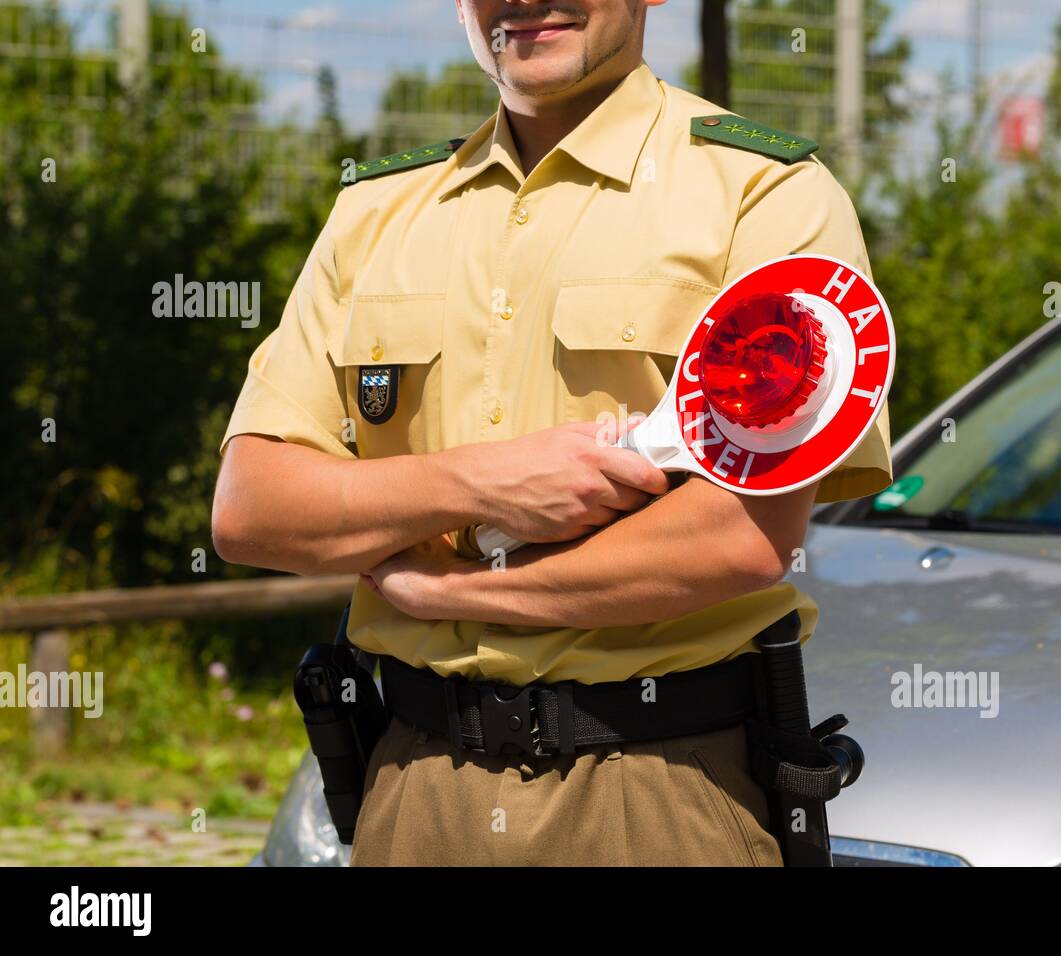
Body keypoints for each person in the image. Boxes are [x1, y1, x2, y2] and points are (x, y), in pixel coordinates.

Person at [211, 0, 892, 866]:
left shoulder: (763, 194)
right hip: (413, 791)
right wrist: (482, 484)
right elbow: (254, 508)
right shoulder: (376, 211)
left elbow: (744, 537)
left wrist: (453, 592)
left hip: (657, 793)